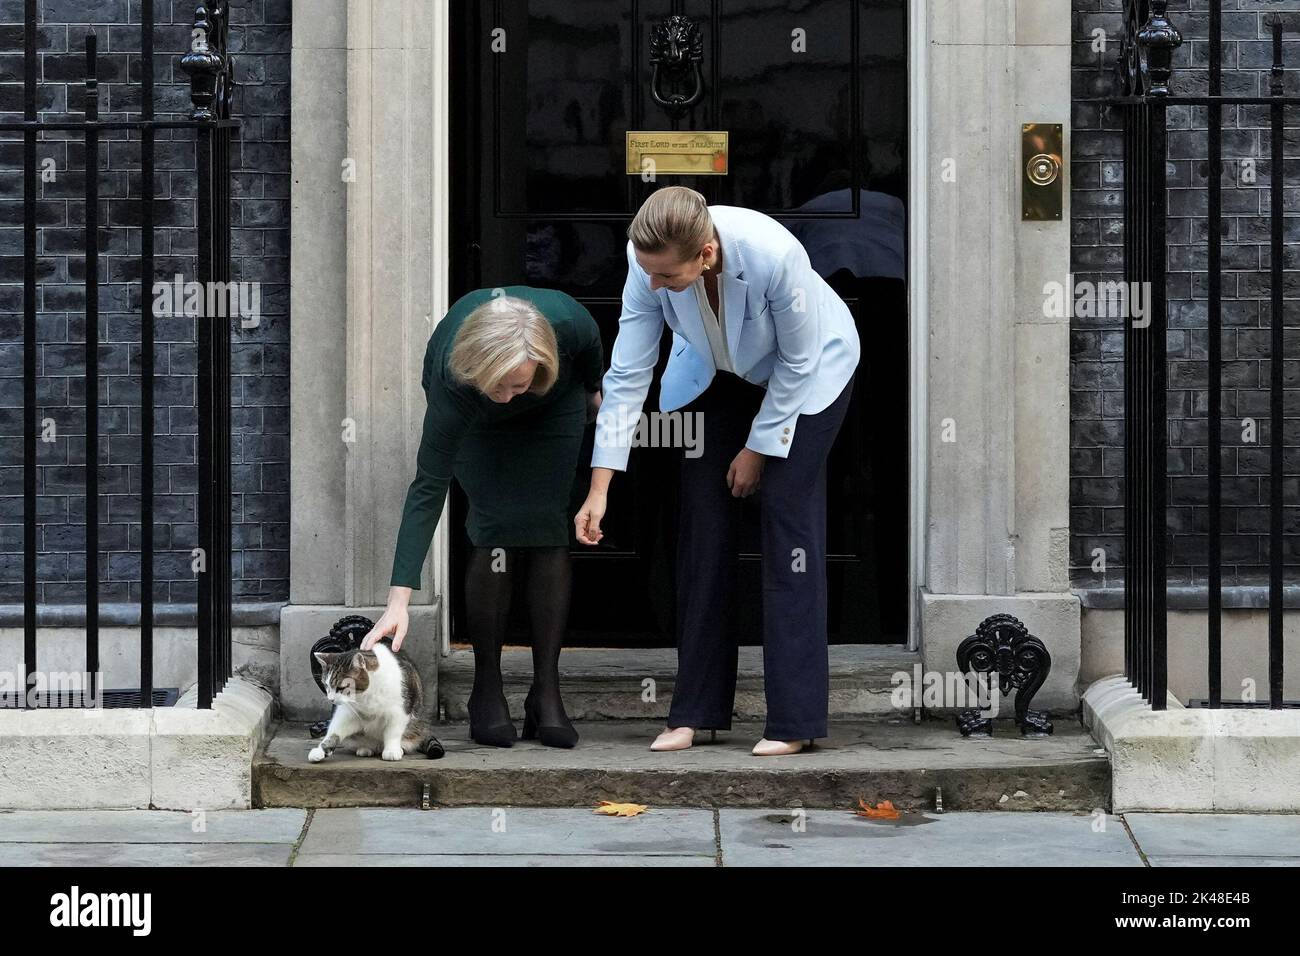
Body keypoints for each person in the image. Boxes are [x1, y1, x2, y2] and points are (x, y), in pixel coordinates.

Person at [575, 186, 860, 756]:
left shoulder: (773, 254)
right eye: (648, 274)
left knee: (787, 524)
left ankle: (793, 720)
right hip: (714, 372)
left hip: (806, 378)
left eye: (667, 278)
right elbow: (629, 372)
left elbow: (799, 361)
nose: (654, 286)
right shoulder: (646, 261)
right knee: (703, 526)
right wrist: (599, 486)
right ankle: (696, 713)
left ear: (706, 254)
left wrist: (757, 449)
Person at [362, 288, 604, 749]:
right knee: (493, 529)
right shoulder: (456, 384)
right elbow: (428, 488)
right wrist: (398, 602)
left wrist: (592, 394)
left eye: (519, 384)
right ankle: (487, 688)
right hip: (478, 418)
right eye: (503, 385)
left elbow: (591, 365)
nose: (510, 397)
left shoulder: (569, 324)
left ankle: (546, 692)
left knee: (547, 525)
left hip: (554, 404)